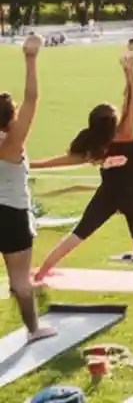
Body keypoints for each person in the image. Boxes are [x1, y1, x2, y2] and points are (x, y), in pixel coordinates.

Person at [35, 44, 133, 284]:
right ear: (114, 121)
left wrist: (32, 164)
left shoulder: (96, 145)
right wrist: (130, 72)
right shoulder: (125, 134)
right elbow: (132, 102)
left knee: (80, 232)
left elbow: (62, 161)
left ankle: (42, 270)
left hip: (108, 196)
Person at [0, 34, 57, 342]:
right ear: (11, 119)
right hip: (11, 214)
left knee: (17, 280)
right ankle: (34, 330)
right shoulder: (11, 145)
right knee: (21, 281)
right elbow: (32, 100)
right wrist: (30, 59)